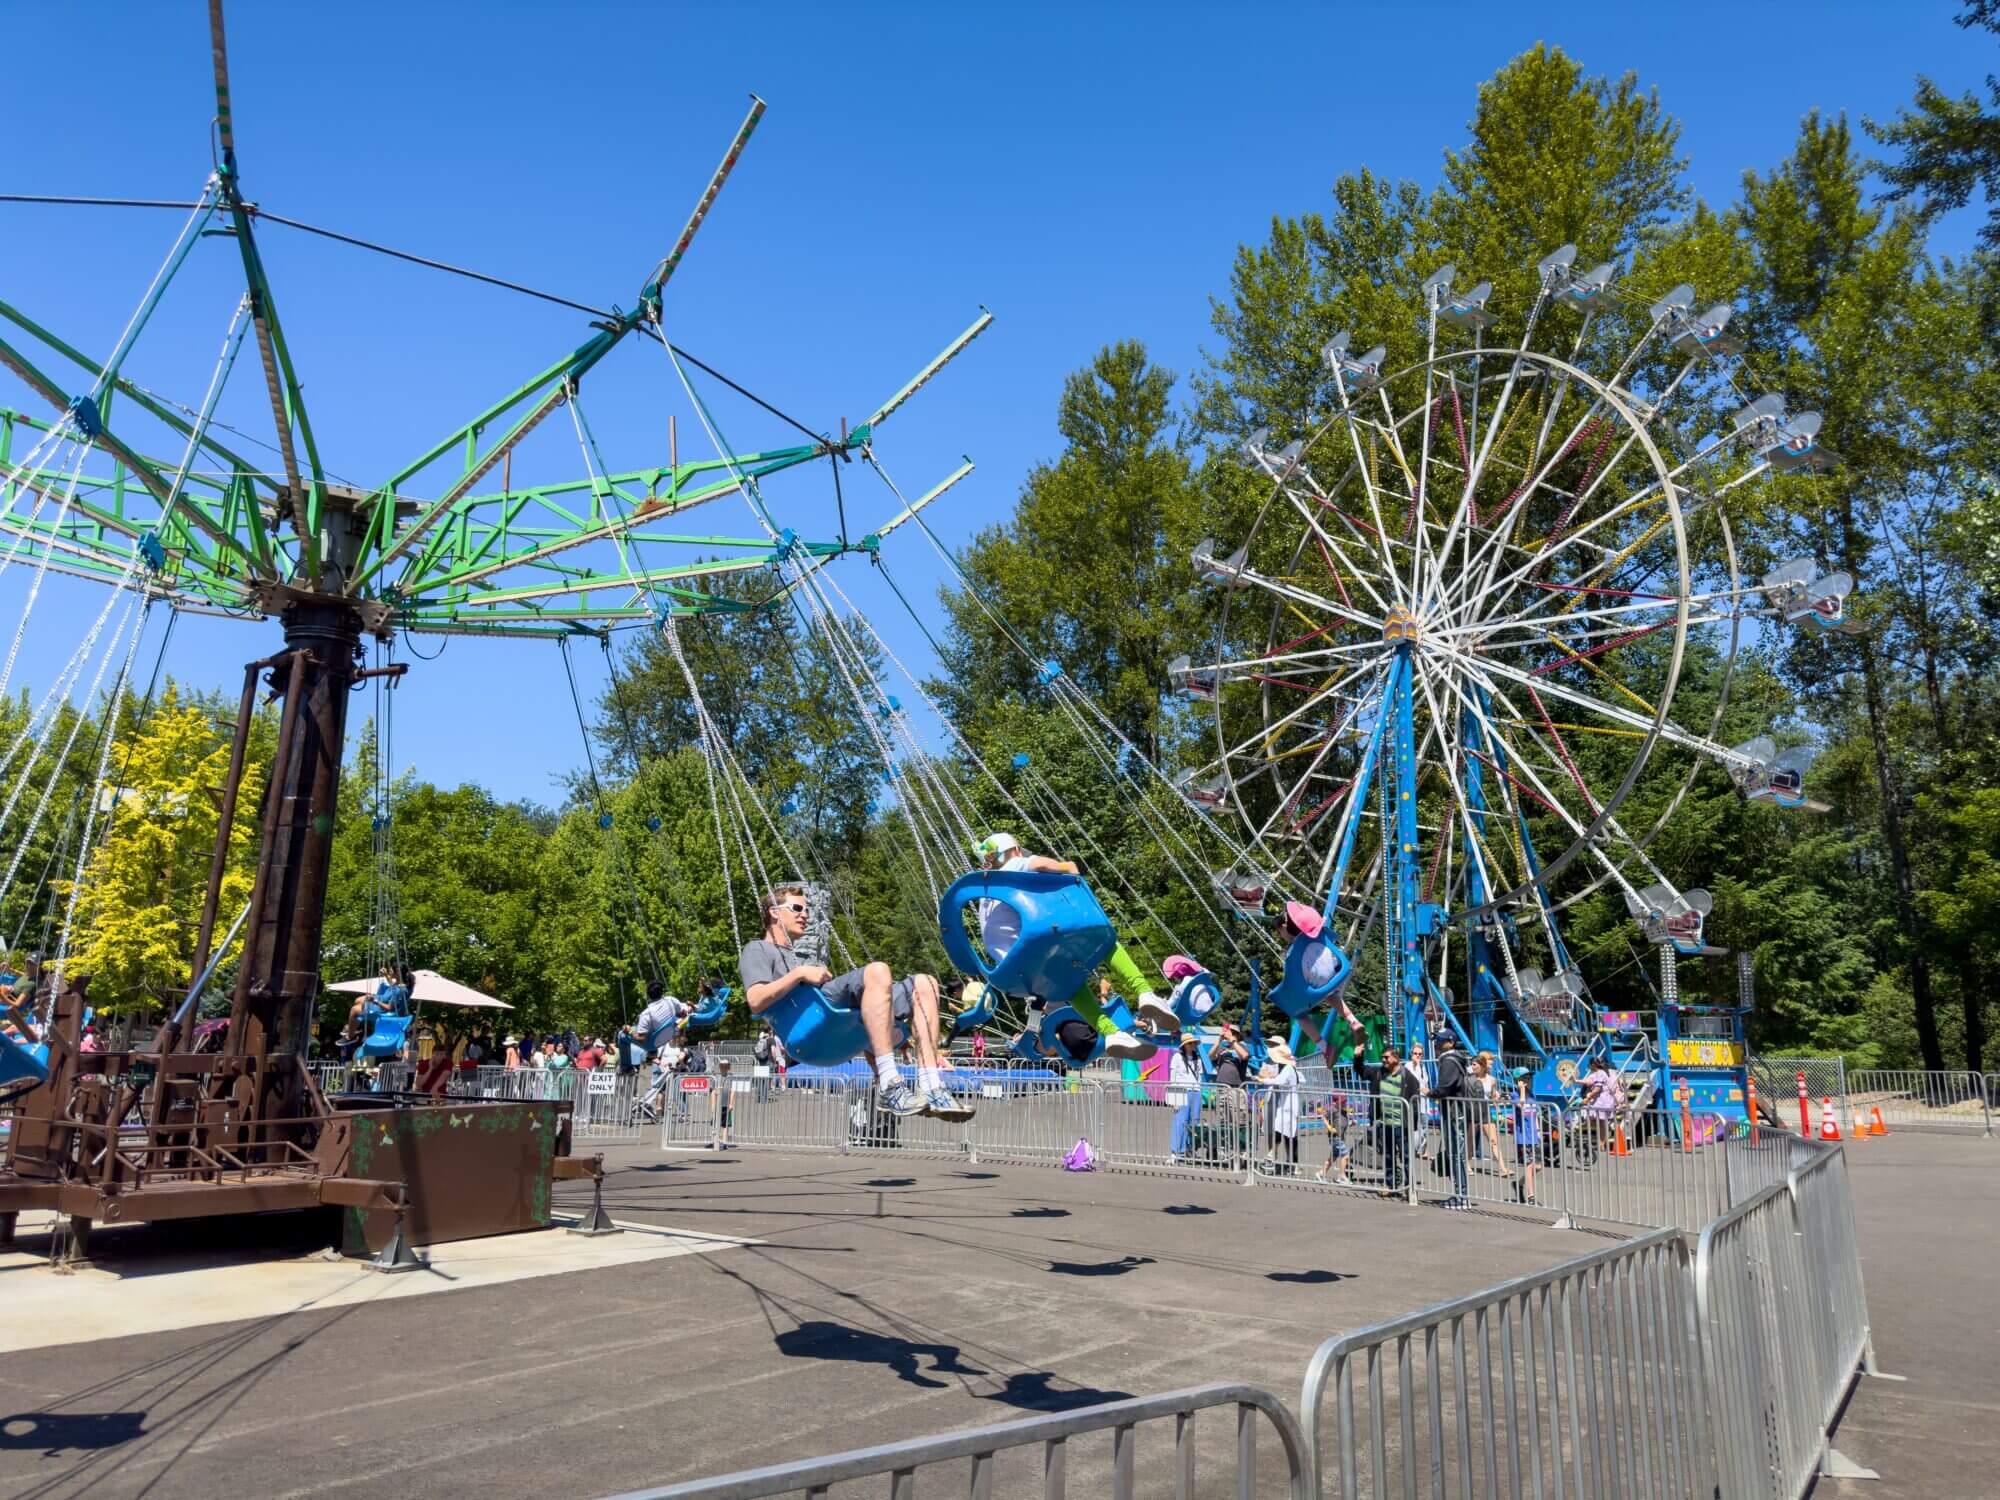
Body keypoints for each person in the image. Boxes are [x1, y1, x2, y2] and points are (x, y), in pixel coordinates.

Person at [741, 882, 971, 1122]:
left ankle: (932, 1085)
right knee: (878, 971)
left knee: (926, 984)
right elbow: (755, 1000)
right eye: (797, 908)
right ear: (774, 912)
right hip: (809, 1024)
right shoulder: (757, 949)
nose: (805, 915)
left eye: (807, 910)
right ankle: (890, 1084)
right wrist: (800, 974)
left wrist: (894, 1032)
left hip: (832, 1021)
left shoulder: (797, 956)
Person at [973, 833, 1176, 1056]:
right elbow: (1040, 863)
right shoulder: (1014, 865)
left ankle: (1110, 1032)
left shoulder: (986, 891)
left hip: (1010, 972)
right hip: (1031, 953)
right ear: (1015, 850)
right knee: (1104, 940)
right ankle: (1144, 992)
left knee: (1071, 983)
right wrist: (1066, 866)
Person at [1342, 999, 1407, 1195]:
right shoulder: (1377, 1073)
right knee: (1387, 1153)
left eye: (1387, 1057)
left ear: (1396, 1058)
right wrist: (1358, 1054)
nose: (1383, 1060)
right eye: (1383, 1057)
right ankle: (1390, 1184)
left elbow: (1411, 1094)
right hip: (1382, 1119)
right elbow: (1360, 1070)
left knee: (1404, 1153)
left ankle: (1406, 1184)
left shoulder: (1405, 1075)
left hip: (1400, 1119)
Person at [1273, 902, 1342, 1052]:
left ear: (1285, 927)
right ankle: (1353, 1021)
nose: (1280, 936)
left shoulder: (1293, 952)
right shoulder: (1320, 936)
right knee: (1330, 993)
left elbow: (1294, 977)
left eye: (1279, 932)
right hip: (1336, 975)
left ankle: (1324, 1048)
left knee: (1297, 1012)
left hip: (1314, 986)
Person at [1430, 1037, 1477, 1207]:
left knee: (1457, 1154)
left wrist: (1430, 1093)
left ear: (1450, 1043)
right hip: (1455, 1110)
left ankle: (1461, 1196)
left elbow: (1445, 1087)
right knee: (1456, 1153)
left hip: (1454, 1111)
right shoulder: (1455, 1059)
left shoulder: (1449, 1061)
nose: (1437, 1044)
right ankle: (1459, 1194)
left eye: (1440, 1041)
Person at [1259, 1037, 1302, 1176]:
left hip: (1288, 1104)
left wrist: (1264, 1079)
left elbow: (1279, 1080)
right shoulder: (1288, 1068)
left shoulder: (1289, 1068)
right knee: (1280, 1129)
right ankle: (1275, 1155)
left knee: (1288, 1133)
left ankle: (1291, 1162)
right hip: (1283, 1103)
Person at [1473, 1052, 1514, 1180]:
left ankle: (1502, 1168)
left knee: (1494, 1141)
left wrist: (1499, 1111)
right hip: (1472, 1110)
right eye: (1490, 1061)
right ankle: (1467, 1165)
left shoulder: (1492, 1080)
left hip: (1485, 1111)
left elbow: (1493, 1097)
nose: (1492, 1064)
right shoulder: (1472, 1078)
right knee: (1469, 1141)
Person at [1167, 1030, 1204, 1160]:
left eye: (1193, 1043)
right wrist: (1173, 1100)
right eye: (1189, 1043)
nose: (1192, 1045)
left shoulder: (1197, 1059)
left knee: (1194, 1122)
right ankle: (1175, 1151)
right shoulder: (1176, 1057)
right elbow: (1173, 1078)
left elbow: (1199, 1077)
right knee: (1180, 1121)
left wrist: (1199, 1090)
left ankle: (1189, 1149)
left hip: (1195, 1091)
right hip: (1182, 1091)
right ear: (1184, 1045)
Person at [1160, 955, 1222, 1027]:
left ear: (1177, 976)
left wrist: (1162, 1003)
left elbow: (1170, 1004)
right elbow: (1204, 970)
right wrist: (1192, 963)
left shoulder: (1180, 987)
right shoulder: (1202, 977)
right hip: (1211, 1005)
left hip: (1191, 1016)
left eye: (1174, 977)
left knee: (1171, 1007)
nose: (1174, 979)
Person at [1511, 1069, 1541, 1203]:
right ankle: (1531, 1196)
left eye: (1530, 1079)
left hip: (1534, 1135)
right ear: (1520, 1081)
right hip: (1523, 1136)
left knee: (1538, 1166)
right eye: (1526, 1079)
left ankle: (1519, 1183)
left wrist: (1539, 1130)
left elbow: (1535, 1114)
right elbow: (1521, 1106)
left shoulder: (1533, 1094)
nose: (1530, 1081)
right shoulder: (1515, 1095)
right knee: (1529, 1166)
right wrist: (1522, 1090)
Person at [1582, 1054, 1622, 1149]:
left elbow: (1600, 1088)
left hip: (1606, 1099)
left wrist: (1588, 1097)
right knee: (1599, 1121)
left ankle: (1601, 1143)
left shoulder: (1608, 1073)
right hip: (1601, 1100)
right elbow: (1590, 1083)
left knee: (1601, 1121)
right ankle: (1600, 1142)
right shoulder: (1598, 1073)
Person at [1313, 1093, 1354, 1184]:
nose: (1344, 1103)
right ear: (1336, 1102)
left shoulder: (1343, 1111)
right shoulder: (1333, 1109)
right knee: (1346, 1155)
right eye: (1342, 1102)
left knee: (1332, 1158)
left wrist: (1351, 1123)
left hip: (1340, 1137)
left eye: (1345, 1101)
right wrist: (1330, 1128)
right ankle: (1342, 1176)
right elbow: (1324, 1117)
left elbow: (1342, 1123)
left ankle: (1320, 1174)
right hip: (1336, 1137)